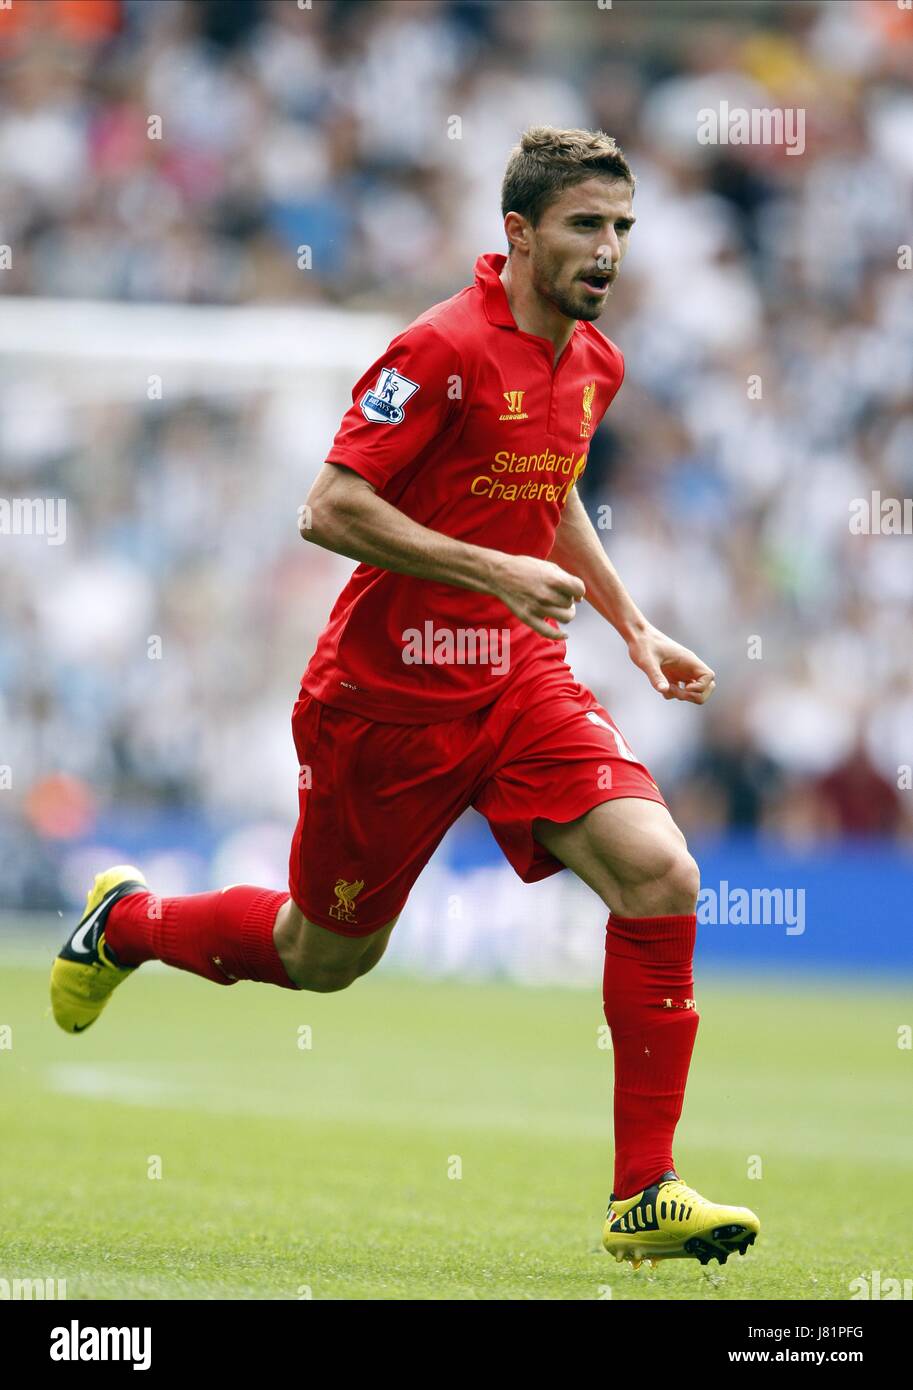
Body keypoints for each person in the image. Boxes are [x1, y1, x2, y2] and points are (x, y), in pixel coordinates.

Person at [51, 125, 759, 1269]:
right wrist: (491, 571)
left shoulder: (594, 362)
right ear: (519, 232)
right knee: (325, 954)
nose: (609, 249)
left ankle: (645, 1192)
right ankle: (125, 922)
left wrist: (630, 626)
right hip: (385, 697)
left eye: (622, 227)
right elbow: (326, 508)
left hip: (518, 680)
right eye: (587, 225)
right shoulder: (435, 349)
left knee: (660, 872)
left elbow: (548, 486)